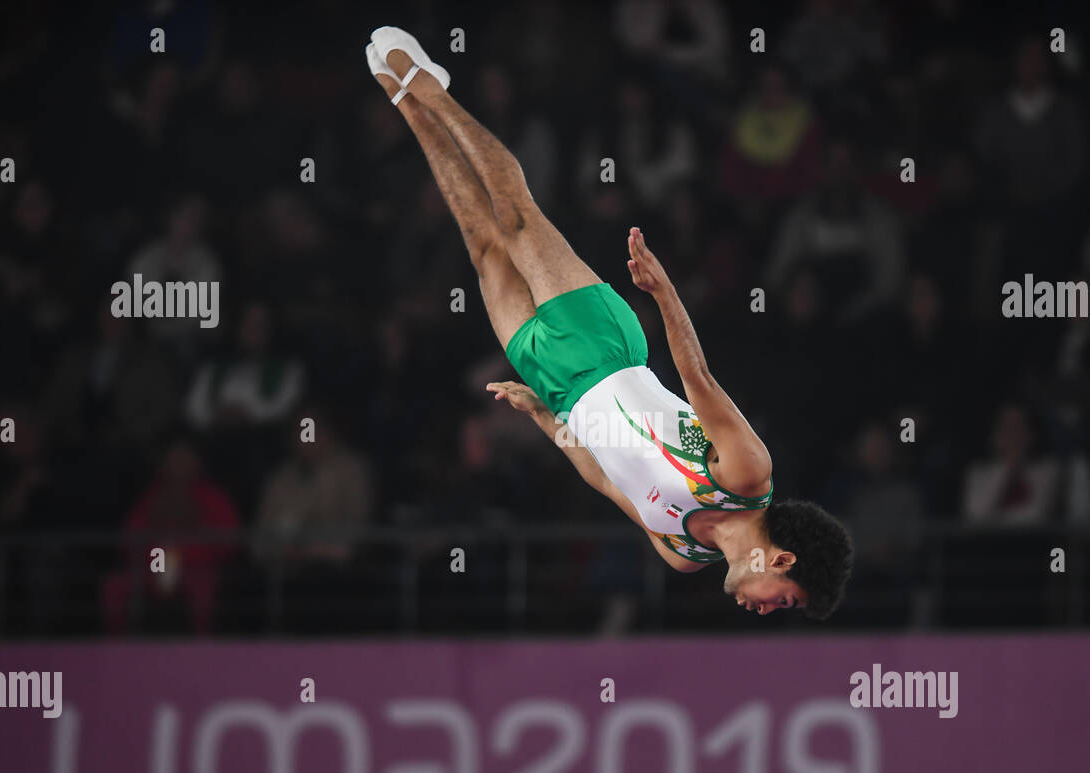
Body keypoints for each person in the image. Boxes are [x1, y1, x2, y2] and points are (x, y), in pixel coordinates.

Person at [364, 27, 852, 619]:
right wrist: (663, 291)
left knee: (483, 247)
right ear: (782, 562)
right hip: (608, 350)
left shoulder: (681, 553)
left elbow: (603, 478)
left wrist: (547, 417)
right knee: (517, 221)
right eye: (787, 601)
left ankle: (408, 105)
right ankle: (433, 91)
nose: (769, 610)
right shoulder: (748, 474)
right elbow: (696, 376)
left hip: (558, 386)